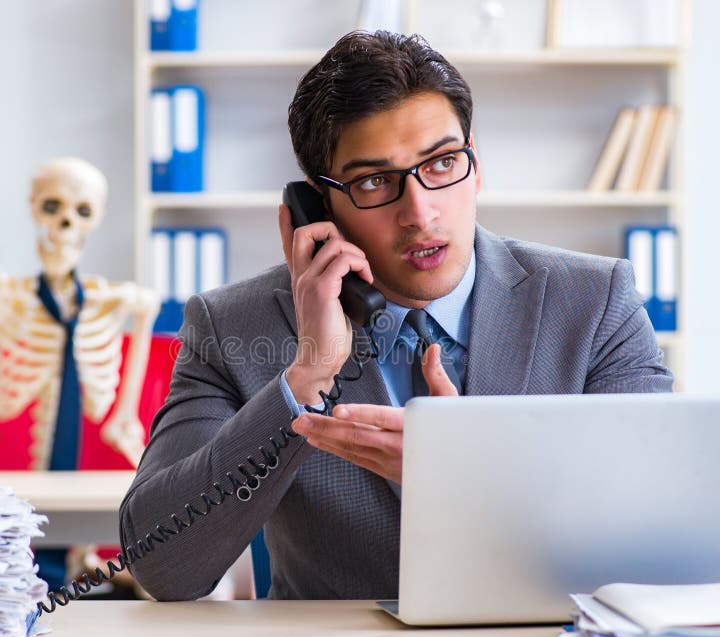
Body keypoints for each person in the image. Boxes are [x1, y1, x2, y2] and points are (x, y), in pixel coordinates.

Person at [119, 31, 672, 601]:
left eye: (442, 163)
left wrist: (471, 473)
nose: (420, 211)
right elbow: (163, 568)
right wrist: (305, 376)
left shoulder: (595, 301)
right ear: (316, 205)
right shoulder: (232, 325)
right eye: (375, 181)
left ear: (475, 163)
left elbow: (665, 532)